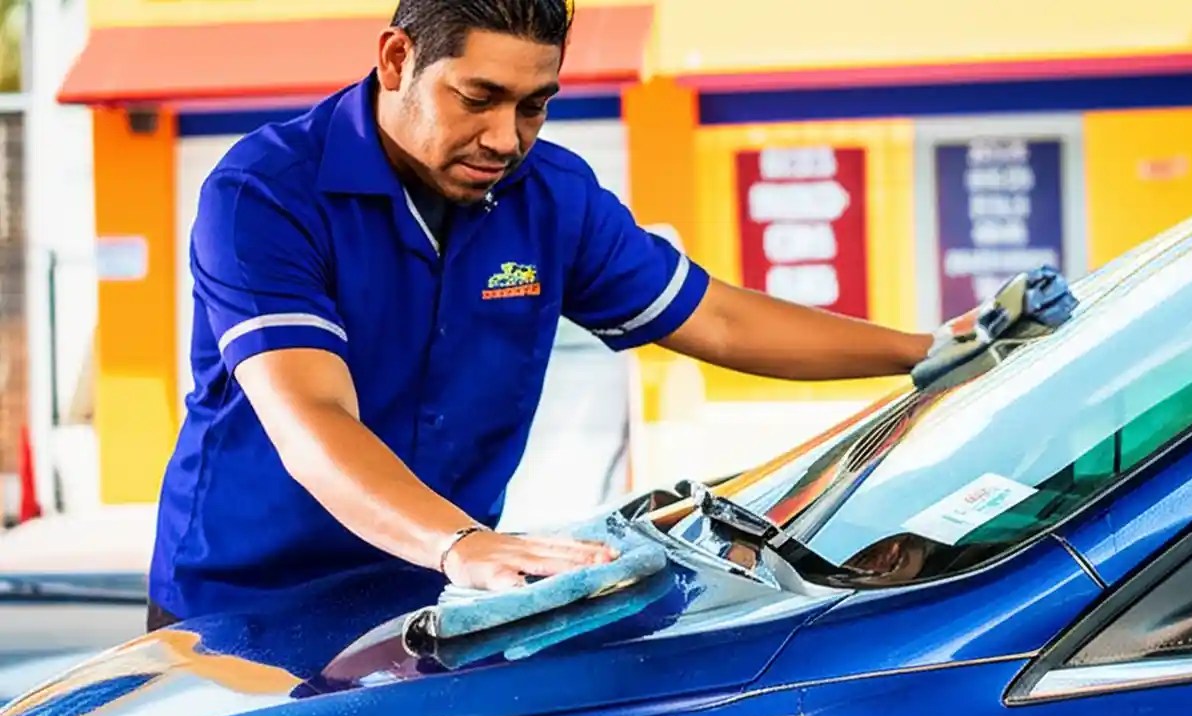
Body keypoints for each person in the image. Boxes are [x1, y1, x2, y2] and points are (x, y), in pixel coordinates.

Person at [146, 0, 1065, 631]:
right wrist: (459, 542)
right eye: (480, 99)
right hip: (240, 611)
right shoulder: (266, 193)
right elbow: (310, 415)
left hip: (435, 597)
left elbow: (718, 321)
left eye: (535, 106)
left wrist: (926, 349)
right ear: (396, 60)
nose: (507, 138)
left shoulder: (551, 197)